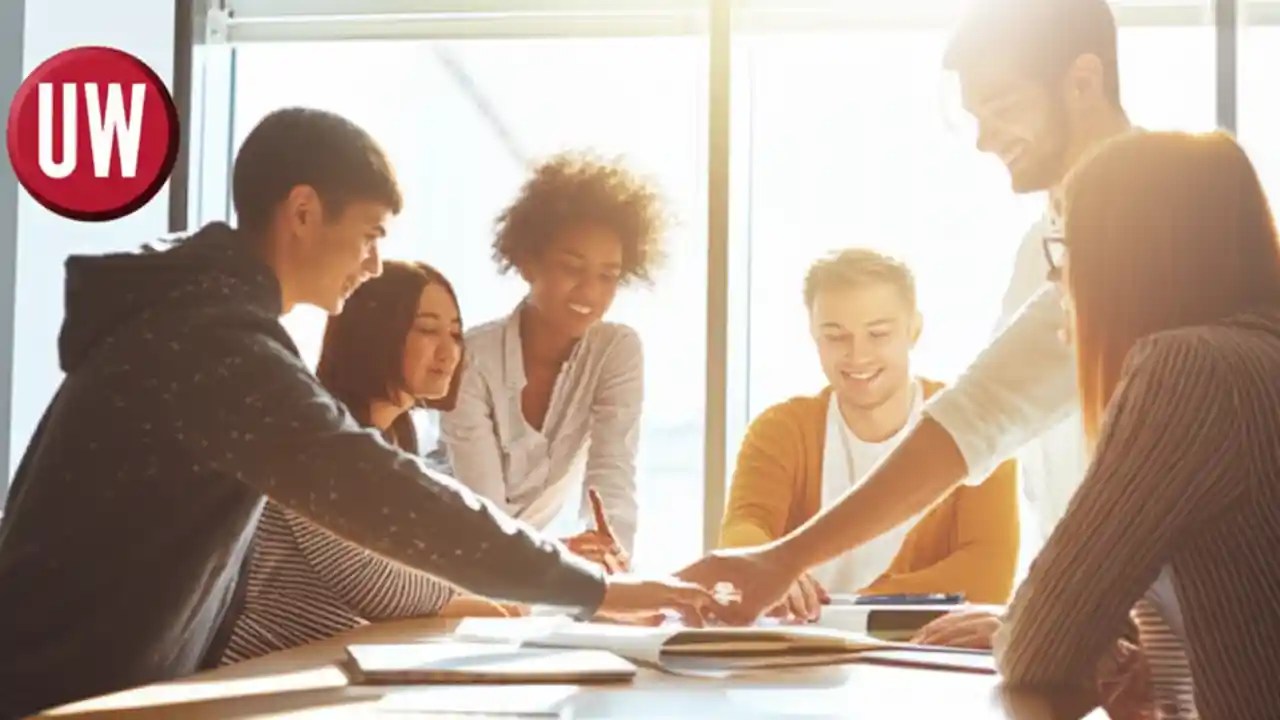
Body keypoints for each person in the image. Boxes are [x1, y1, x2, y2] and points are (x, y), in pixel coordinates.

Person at [0, 108, 714, 719]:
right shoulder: (213, 342)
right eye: (371, 233)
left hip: (97, 685)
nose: (375, 264)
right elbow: (382, 493)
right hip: (57, 693)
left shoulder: (203, 319)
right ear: (304, 212)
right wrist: (589, 587)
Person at [676, 0, 1194, 709]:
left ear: (1082, 79)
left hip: (1203, 640)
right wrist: (1050, 618)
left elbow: (979, 417)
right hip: (1137, 652)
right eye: (973, 115)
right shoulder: (1037, 249)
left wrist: (784, 557)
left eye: (1001, 104)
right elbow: (1066, 474)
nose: (983, 138)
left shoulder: (1155, 221)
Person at [992, 130, 1280, 719]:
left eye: (1066, 247)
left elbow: (1036, 648)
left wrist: (1051, 630)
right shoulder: (1256, 359)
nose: (1058, 278)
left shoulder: (1193, 370)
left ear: (1125, 255)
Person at [222, 261, 521, 665]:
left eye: (455, 332)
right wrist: (472, 601)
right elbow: (373, 583)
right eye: (428, 330)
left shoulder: (396, 443)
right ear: (375, 333)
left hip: (327, 665)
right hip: (254, 671)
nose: (450, 350)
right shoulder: (315, 437)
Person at [719, 249, 1019, 620]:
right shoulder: (781, 430)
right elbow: (743, 530)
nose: (857, 355)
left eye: (877, 334)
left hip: (917, 656)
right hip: (801, 655)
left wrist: (845, 610)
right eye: (835, 336)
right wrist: (762, 564)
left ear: (914, 330)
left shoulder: (975, 425)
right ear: (813, 335)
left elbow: (988, 573)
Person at [440, 151, 664, 569]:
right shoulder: (470, 358)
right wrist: (565, 559)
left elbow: (613, 471)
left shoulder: (616, 352)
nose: (590, 292)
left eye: (608, 276)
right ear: (528, 263)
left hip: (513, 569)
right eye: (571, 267)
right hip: (436, 554)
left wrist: (610, 561)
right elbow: (484, 518)